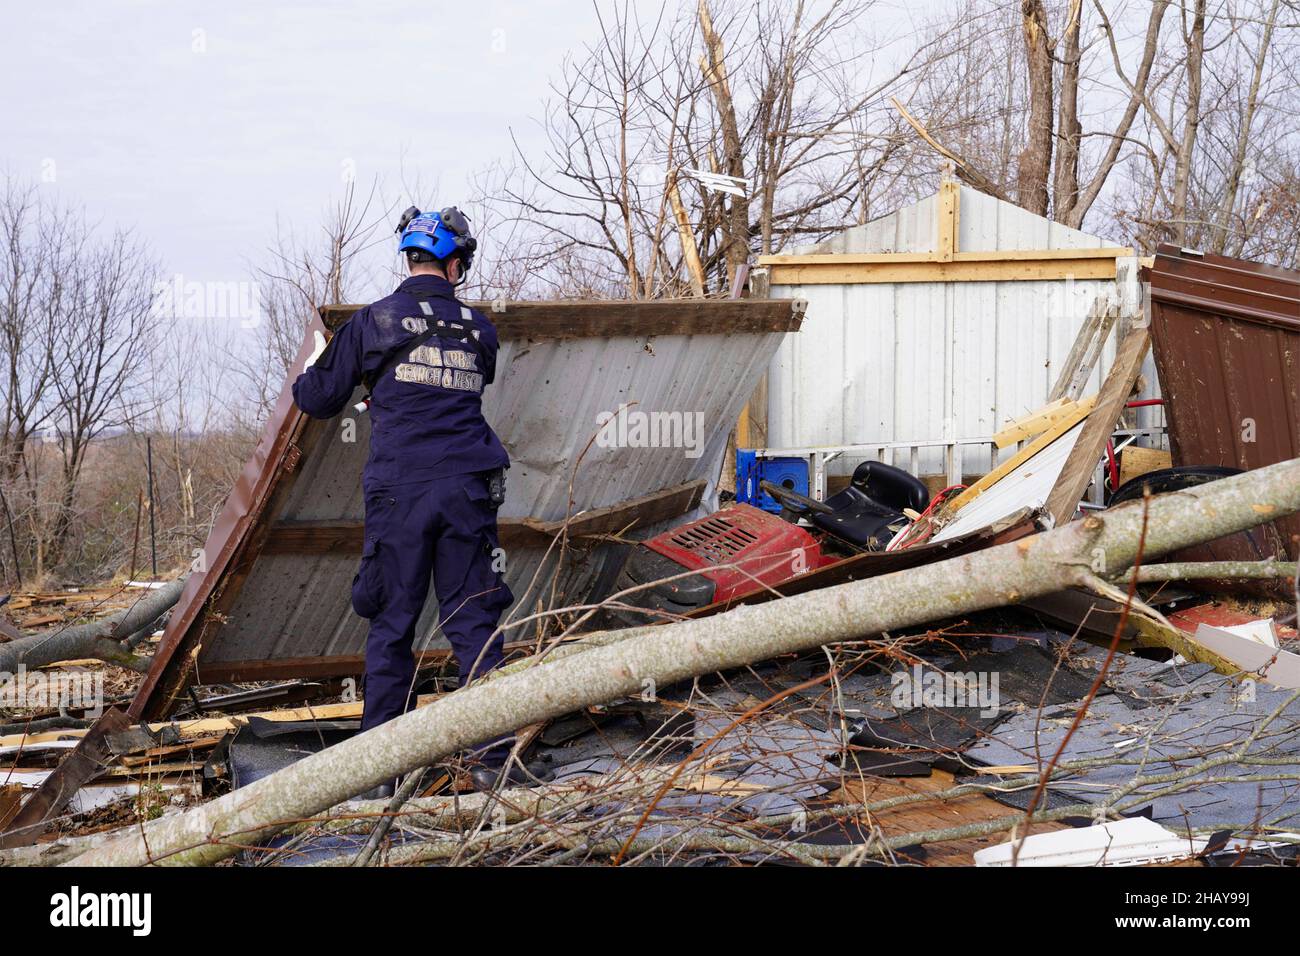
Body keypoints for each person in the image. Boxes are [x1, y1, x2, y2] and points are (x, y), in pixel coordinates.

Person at [292, 205, 521, 793]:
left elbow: (316, 399)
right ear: (454, 263)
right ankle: (494, 762)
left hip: (401, 493)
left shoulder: (373, 321)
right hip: (468, 488)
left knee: (393, 624)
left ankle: (381, 775)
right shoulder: (479, 328)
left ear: (411, 257)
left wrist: (324, 356)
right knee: (473, 624)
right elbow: (472, 376)